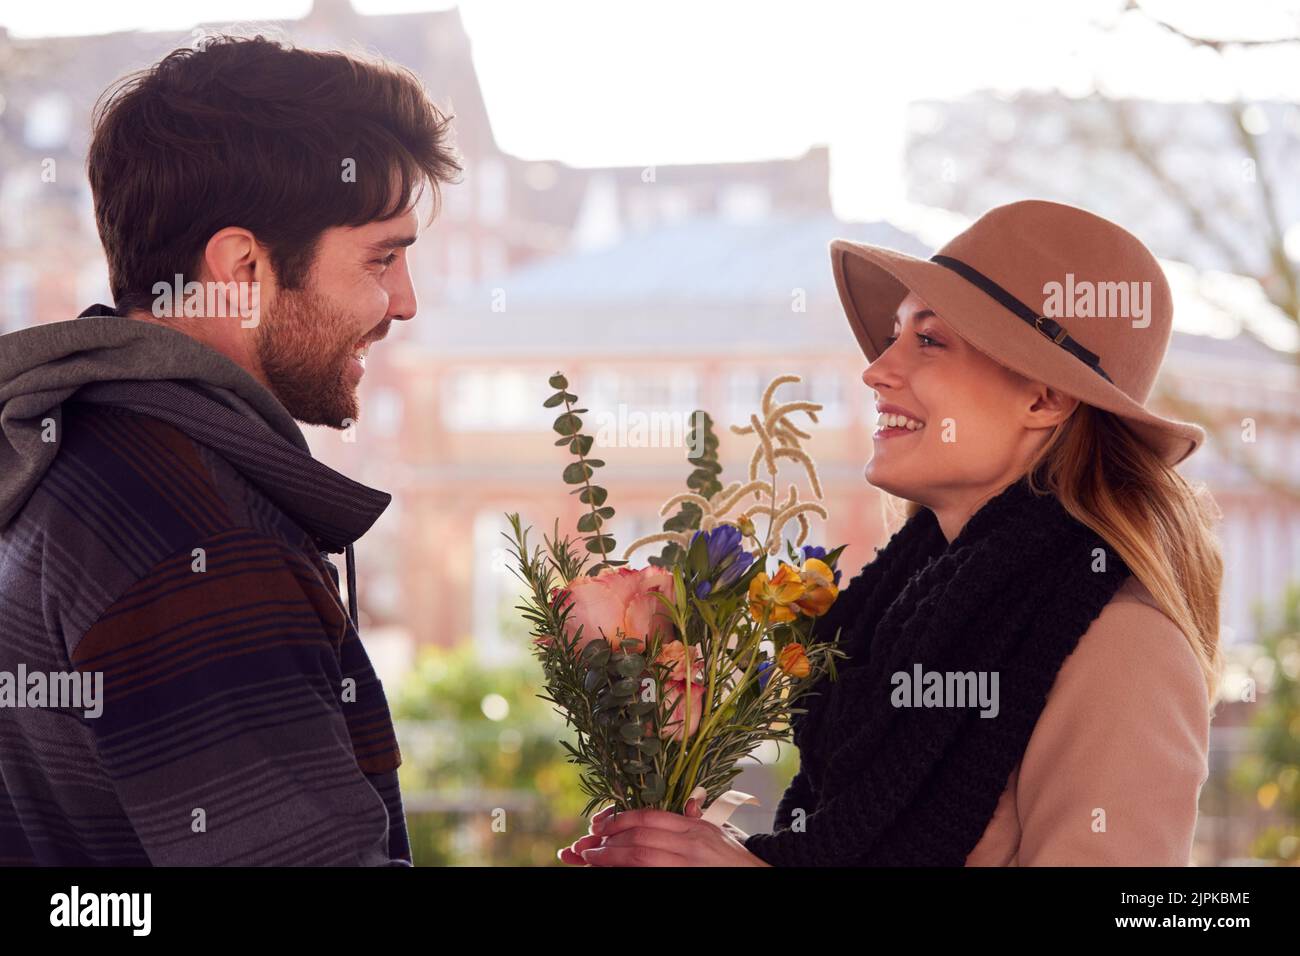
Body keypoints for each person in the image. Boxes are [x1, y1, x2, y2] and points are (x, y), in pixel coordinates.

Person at [559, 199, 1222, 867]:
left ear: (1044, 398)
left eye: (928, 340)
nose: (877, 369)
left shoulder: (1123, 645)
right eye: (896, 334)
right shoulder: (894, 619)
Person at [0, 34, 460, 864]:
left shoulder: (64, 456)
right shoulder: (199, 541)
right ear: (243, 266)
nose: (406, 301)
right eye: (381, 258)